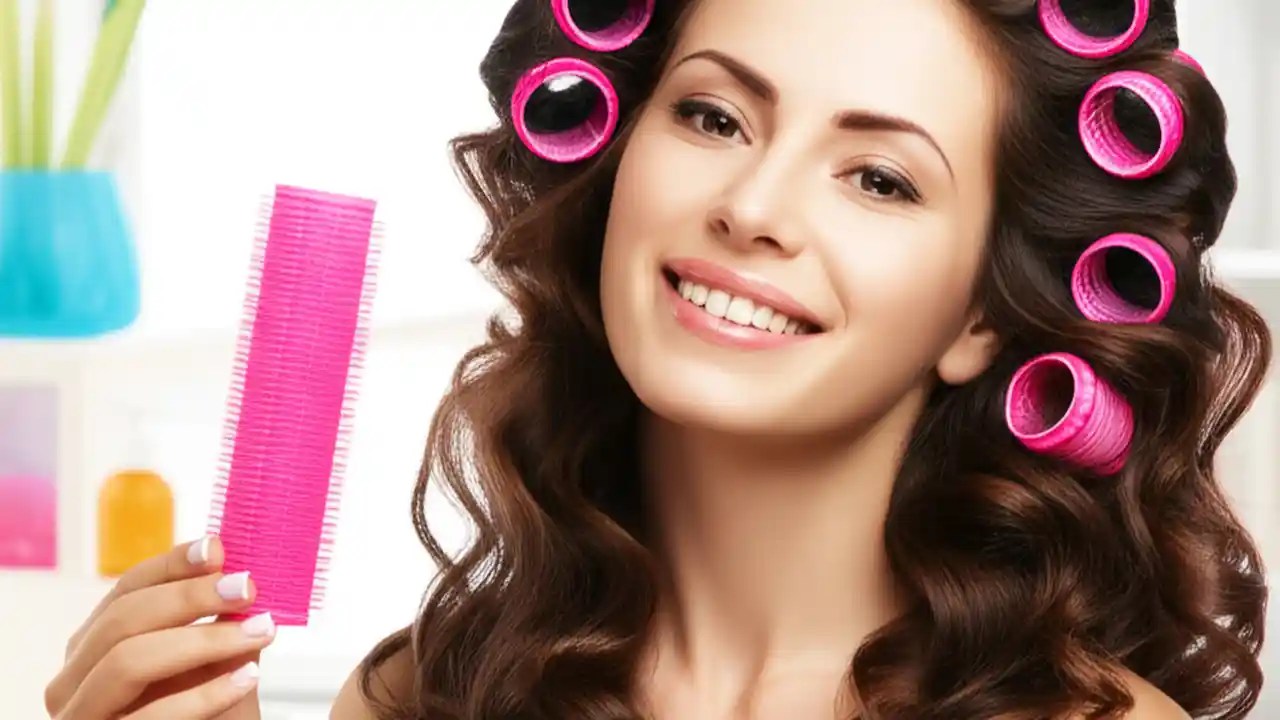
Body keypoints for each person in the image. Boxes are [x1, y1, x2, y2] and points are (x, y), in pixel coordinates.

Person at [44, 0, 1271, 717]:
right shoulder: (425, 698)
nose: (752, 206)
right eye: (711, 115)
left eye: (878, 179)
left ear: (982, 320)